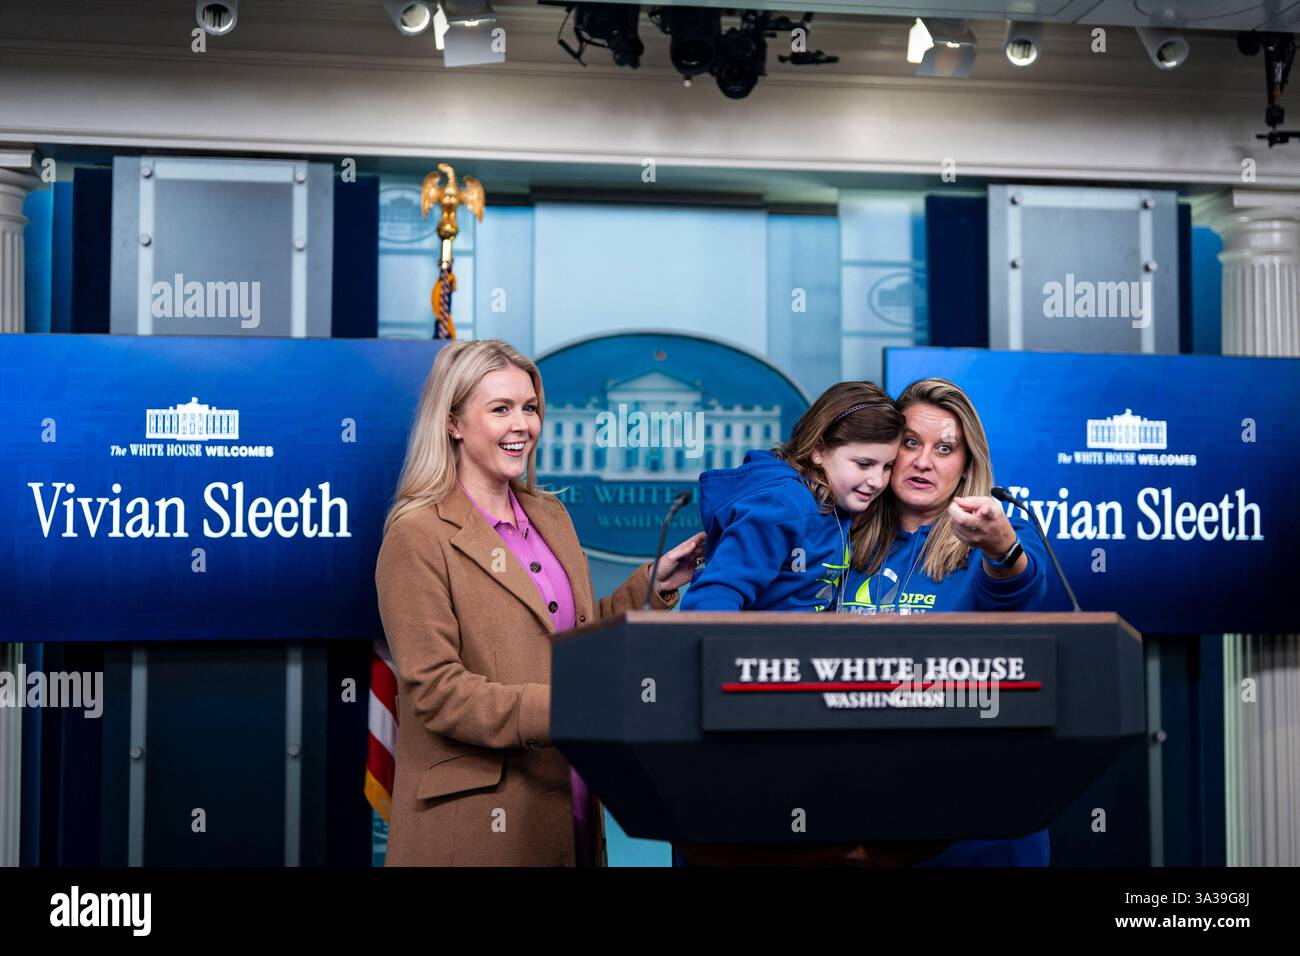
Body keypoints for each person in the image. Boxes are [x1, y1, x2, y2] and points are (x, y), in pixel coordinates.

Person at [375, 339, 705, 866]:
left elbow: (573, 640)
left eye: (529, 408)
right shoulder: (416, 534)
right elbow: (437, 692)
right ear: (453, 422)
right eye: (500, 409)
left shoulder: (550, 515)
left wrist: (654, 585)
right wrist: (569, 708)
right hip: (479, 822)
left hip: (571, 797)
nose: (522, 425)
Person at [844, 376, 1050, 866]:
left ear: (966, 465)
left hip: (978, 825)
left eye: (944, 448)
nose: (923, 461)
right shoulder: (840, 538)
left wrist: (1000, 547)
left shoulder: (1001, 534)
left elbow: (1018, 584)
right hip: (866, 811)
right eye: (911, 442)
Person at [680, 381, 903, 613]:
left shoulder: (836, 506)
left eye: (888, 466)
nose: (878, 481)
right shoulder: (782, 505)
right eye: (864, 464)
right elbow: (714, 596)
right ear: (818, 451)